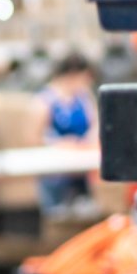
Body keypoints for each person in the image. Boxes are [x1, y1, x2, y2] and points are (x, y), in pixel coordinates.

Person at [37, 51, 98, 213]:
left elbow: (95, 124)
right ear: (73, 75)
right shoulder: (45, 101)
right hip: (55, 170)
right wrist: (59, 144)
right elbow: (33, 138)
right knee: (58, 211)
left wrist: (88, 139)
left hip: (82, 165)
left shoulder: (84, 97)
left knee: (85, 208)